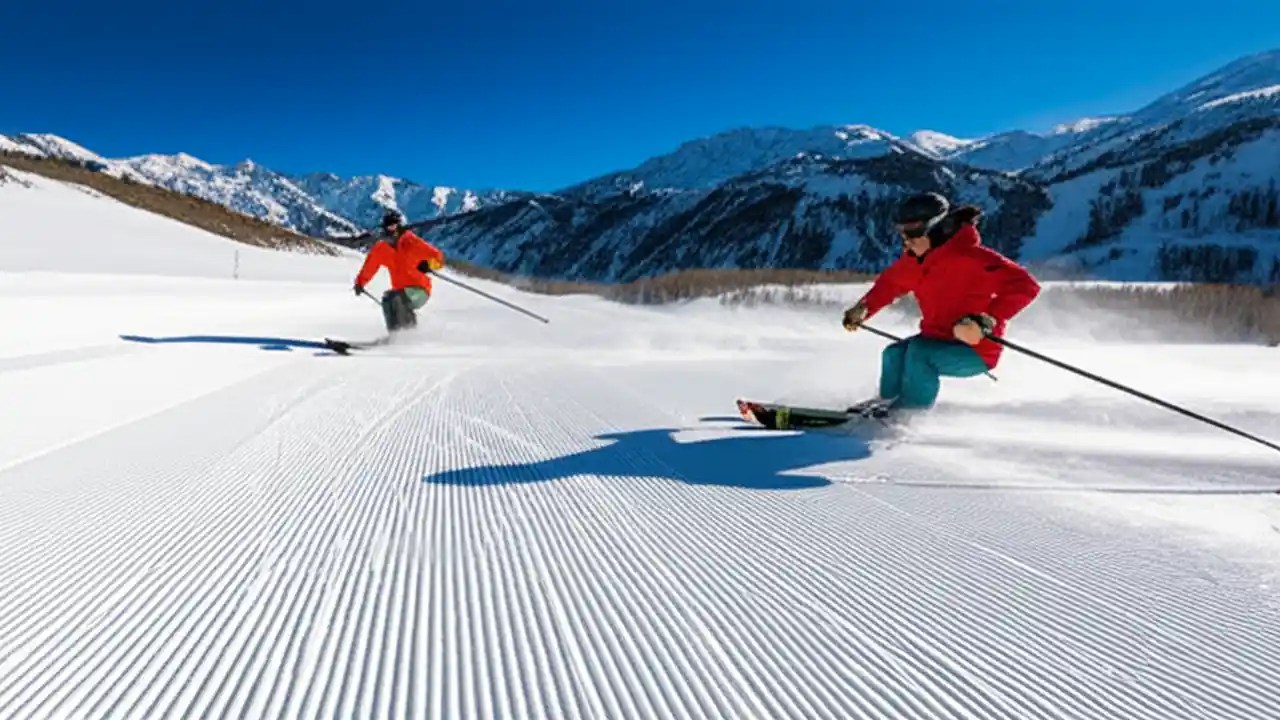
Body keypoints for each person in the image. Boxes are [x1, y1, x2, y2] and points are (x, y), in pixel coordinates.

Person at [841, 192, 1040, 415]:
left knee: (920, 354)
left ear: (936, 229)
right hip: (935, 339)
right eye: (903, 232)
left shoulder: (973, 258)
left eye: (913, 232)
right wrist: (864, 308)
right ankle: (885, 403)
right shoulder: (916, 262)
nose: (906, 240)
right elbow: (890, 285)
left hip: (975, 348)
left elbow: (1026, 286)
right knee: (894, 353)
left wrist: (986, 320)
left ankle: (910, 413)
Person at [353, 210, 446, 333]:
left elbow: (438, 258)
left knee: (396, 297)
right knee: (387, 299)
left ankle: (407, 332)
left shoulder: (411, 242)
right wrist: (360, 283)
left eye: (394, 225)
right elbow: (370, 267)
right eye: (389, 226)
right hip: (399, 291)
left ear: (399, 225)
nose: (392, 229)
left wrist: (428, 264)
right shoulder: (381, 249)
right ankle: (396, 335)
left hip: (420, 290)